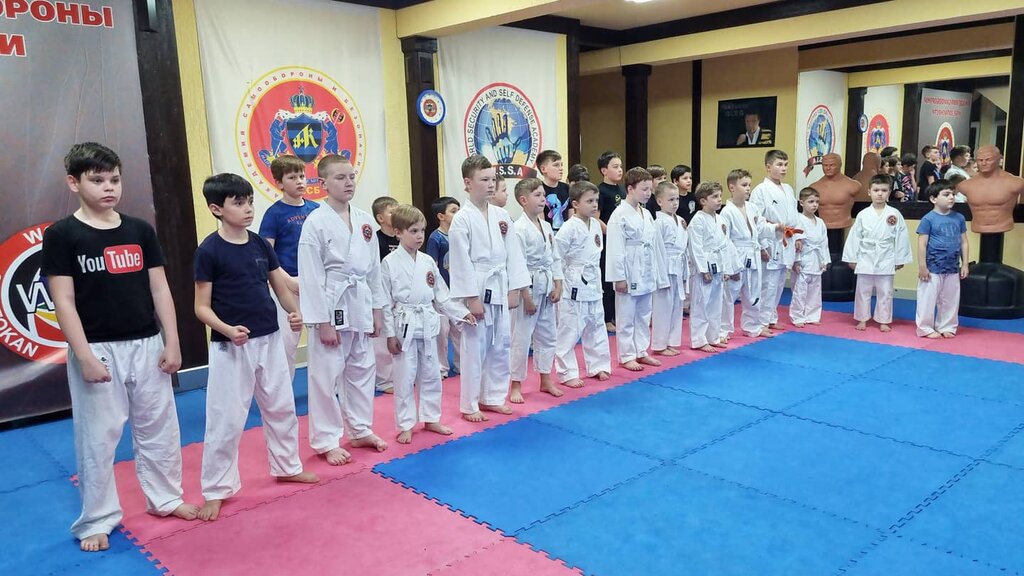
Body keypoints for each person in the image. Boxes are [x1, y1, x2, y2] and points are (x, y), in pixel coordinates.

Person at [42, 142, 199, 551]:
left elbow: (160, 288)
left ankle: (166, 498)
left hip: (147, 343)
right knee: (98, 437)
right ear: (74, 183)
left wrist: (172, 342)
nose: (109, 187)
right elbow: (63, 301)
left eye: (114, 179)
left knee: (160, 429)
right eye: (97, 180)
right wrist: (84, 355)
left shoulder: (139, 229)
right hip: (98, 346)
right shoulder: (62, 235)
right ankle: (97, 518)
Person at [194, 173, 318, 521]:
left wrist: (293, 312)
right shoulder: (209, 251)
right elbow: (201, 307)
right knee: (226, 417)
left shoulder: (260, 245)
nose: (248, 208)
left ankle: (287, 466)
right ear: (216, 209)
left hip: (269, 337)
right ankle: (216, 489)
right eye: (238, 203)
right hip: (232, 345)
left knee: (281, 406)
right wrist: (226, 329)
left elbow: (280, 286)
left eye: (249, 201)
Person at [298, 154, 389, 466]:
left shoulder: (364, 220)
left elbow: (374, 269)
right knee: (326, 374)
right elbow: (311, 277)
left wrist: (377, 309)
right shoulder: (315, 222)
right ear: (322, 183)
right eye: (340, 178)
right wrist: (322, 321)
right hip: (331, 302)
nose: (349, 182)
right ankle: (326, 439)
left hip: (360, 299)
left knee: (362, 368)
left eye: (351, 176)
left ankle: (360, 429)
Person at [382, 205, 474, 444]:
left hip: (427, 322)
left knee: (432, 374)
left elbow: (442, 295)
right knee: (404, 377)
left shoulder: (428, 261)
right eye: (413, 231)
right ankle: (405, 424)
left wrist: (462, 313)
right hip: (404, 326)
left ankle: (431, 418)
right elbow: (385, 303)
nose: (420, 236)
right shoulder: (389, 263)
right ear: (398, 232)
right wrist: (389, 335)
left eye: (422, 230)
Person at [449, 155, 530, 422]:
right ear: (467, 183)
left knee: (501, 343)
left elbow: (513, 254)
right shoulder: (461, 219)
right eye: (484, 179)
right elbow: (460, 261)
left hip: (500, 283)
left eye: (492, 179)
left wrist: (515, 288)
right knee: (475, 348)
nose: (491, 184)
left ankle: (493, 397)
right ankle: (470, 404)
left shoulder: (502, 215)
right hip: (478, 285)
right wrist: (471, 298)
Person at [258, 155, 319, 382]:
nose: (299, 181)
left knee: (322, 341)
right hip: (286, 284)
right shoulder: (274, 214)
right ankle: (282, 392)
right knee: (286, 343)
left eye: (302, 176)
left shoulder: (316, 209)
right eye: (292, 177)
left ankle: (326, 390)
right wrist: (288, 281)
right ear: (279, 183)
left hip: (315, 283)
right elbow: (267, 255)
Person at [606, 167, 668, 371]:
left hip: (646, 265)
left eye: (650, 189)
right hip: (629, 268)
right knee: (626, 315)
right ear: (630, 189)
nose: (648, 193)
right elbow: (614, 248)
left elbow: (655, 244)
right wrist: (619, 277)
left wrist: (658, 272)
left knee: (643, 313)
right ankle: (626, 355)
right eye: (644, 189)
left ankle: (641, 351)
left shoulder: (647, 213)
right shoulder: (619, 214)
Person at [509, 178, 565, 403]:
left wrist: (558, 284)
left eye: (543, 195)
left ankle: (545, 378)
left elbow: (555, 257)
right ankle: (515, 384)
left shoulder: (546, 226)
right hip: (529, 287)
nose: (543, 199)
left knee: (548, 335)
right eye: (538, 195)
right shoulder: (518, 229)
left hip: (547, 284)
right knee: (521, 338)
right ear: (523, 200)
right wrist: (526, 296)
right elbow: (517, 264)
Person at [554, 181, 611, 388]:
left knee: (596, 324)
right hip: (574, 281)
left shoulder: (595, 224)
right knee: (569, 329)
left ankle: (598, 365)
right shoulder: (568, 228)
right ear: (575, 204)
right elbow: (557, 257)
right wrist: (559, 283)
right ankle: (567, 372)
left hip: (593, 280)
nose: (594, 205)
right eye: (589, 201)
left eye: (596, 200)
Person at [842, 174, 913, 332]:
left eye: (884, 190)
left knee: (885, 290)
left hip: (886, 255)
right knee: (863, 289)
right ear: (869, 192)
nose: (880, 194)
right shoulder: (863, 214)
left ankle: (884, 320)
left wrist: (899, 259)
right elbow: (855, 237)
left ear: (889, 192)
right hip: (865, 255)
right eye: (876, 190)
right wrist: (852, 258)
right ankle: (862, 318)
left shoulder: (894, 214)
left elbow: (901, 237)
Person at [720, 169, 773, 338]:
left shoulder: (752, 208)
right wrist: (730, 267)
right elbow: (725, 241)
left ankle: (753, 326)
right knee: (729, 295)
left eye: (749, 185)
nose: (748, 188)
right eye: (744, 185)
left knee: (753, 292)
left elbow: (761, 229)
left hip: (753, 253)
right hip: (736, 254)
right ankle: (723, 330)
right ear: (732, 187)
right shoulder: (726, 212)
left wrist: (775, 229)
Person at [748, 150, 796, 332]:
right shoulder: (760, 190)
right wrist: (762, 246)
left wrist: (798, 237)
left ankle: (771, 318)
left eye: (786, 164)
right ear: (768, 167)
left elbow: (794, 216)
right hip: (770, 240)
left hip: (786, 239)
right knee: (767, 284)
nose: (784, 168)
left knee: (780, 282)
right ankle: (760, 323)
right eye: (779, 164)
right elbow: (756, 220)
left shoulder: (788, 189)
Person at [916, 180, 969, 338]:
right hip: (933, 267)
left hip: (952, 266)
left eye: (953, 194)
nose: (951, 197)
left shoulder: (959, 218)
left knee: (950, 299)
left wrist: (965, 264)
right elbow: (922, 244)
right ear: (933, 199)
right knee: (927, 299)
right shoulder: (928, 219)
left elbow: (964, 242)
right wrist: (922, 267)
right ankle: (924, 328)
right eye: (946, 194)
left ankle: (947, 326)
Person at [688, 181, 733, 352]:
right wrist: (703, 269)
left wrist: (726, 268)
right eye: (714, 197)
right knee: (701, 304)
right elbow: (695, 247)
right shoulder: (697, 220)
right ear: (703, 201)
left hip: (719, 265)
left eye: (720, 196)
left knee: (716, 304)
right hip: (705, 266)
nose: (719, 199)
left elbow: (725, 245)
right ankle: (699, 340)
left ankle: (713, 336)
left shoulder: (720, 219)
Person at [650, 181, 688, 356]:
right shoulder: (658, 222)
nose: (675, 203)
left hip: (678, 266)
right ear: (659, 201)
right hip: (665, 267)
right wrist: (660, 275)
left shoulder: (680, 220)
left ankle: (672, 341)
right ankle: (659, 345)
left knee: (676, 306)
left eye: (677, 199)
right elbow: (657, 250)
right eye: (670, 199)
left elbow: (684, 247)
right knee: (662, 307)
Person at [426, 196, 461, 378]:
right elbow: (432, 265)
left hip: (458, 289)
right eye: (453, 211)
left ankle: (462, 363)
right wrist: (433, 291)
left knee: (460, 328)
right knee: (442, 330)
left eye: (459, 210)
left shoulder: (460, 234)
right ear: (441, 216)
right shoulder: (436, 238)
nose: (458, 214)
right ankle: (441, 367)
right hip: (442, 291)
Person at [957, 145, 1024, 234]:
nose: (984, 163)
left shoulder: (1015, 182)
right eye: (980, 160)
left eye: (988, 160)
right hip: (977, 226)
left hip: (1003, 226)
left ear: (998, 159)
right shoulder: (965, 185)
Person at [371, 196, 400, 394]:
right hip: (381, 293)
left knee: (398, 334)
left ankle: (400, 374)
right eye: (392, 211)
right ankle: (384, 380)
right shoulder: (375, 240)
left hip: (400, 293)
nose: (396, 214)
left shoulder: (402, 237)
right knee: (382, 339)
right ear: (380, 218)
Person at [790, 187, 829, 327]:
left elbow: (824, 243)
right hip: (804, 259)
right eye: (811, 202)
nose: (814, 205)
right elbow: (795, 242)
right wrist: (796, 261)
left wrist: (825, 260)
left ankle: (812, 315)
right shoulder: (797, 220)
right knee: (800, 291)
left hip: (816, 259)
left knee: (815, 290)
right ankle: (797, 316)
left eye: (817, 202)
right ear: (801, 203)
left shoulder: (820, 222)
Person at [597, 151, 624, 332]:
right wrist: (612, 233)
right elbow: (596, 218)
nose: (620, 170)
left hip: (622, 241)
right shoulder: (600, 191)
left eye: (621, 166)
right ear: (604, 170)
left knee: (619, 280)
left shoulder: (623, 190)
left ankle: (616, 315)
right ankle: (606, 319)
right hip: (607, 241)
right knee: (607, 281)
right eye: (615, 167)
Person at [811, 153, 861, 229]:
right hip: (822, 228)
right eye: (825, 165)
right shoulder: (814, 187)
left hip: (844, 226)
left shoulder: (853, 185)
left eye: (832, 165)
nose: (828, 168)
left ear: (840, 165)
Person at [538, 150, 571, 231]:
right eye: (556, 165)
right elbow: (540, 220)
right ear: (543, 169)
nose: (561, 168)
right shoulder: (539, 189)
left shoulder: (567, 188)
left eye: (561, 165)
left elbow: (571, 215)